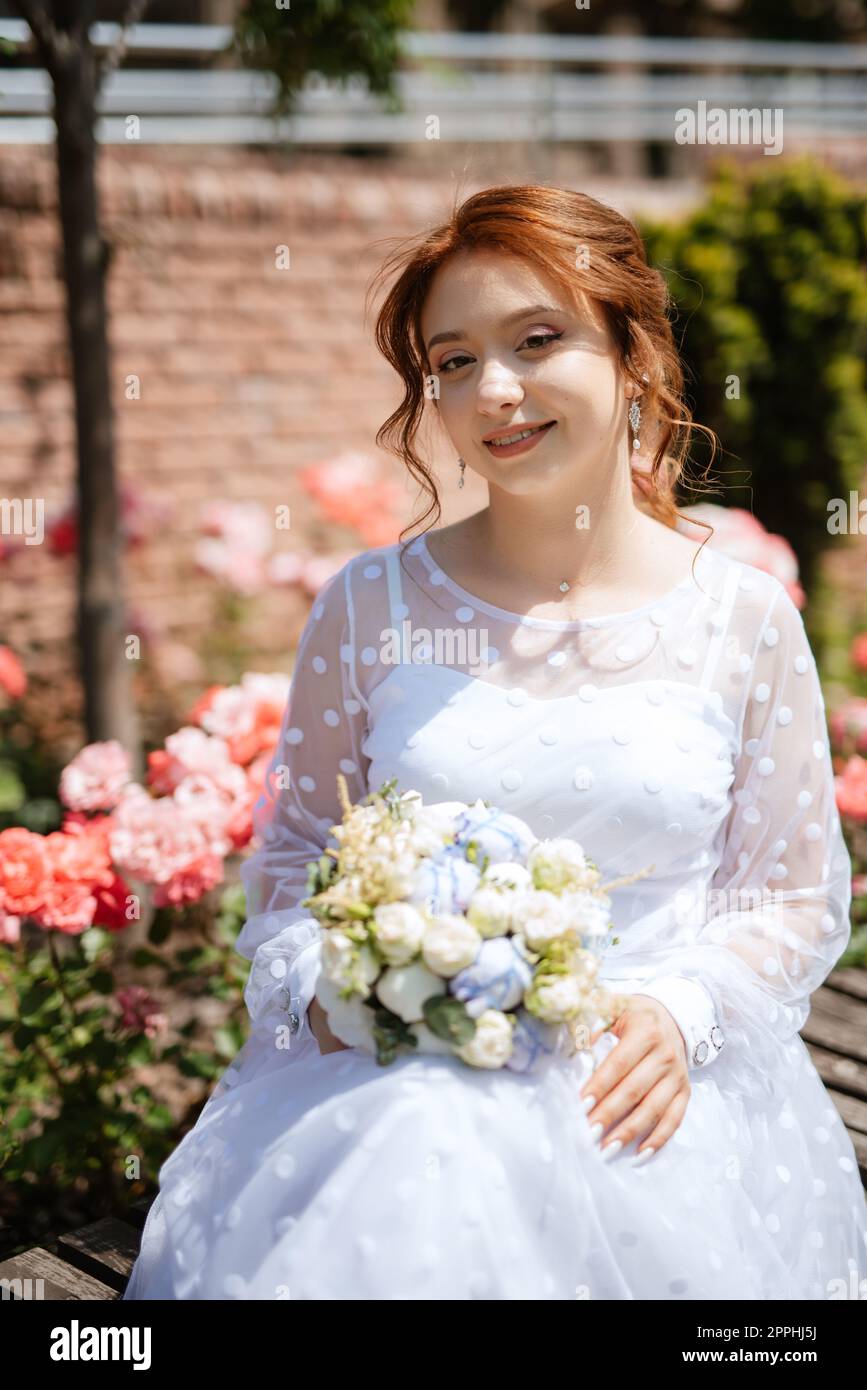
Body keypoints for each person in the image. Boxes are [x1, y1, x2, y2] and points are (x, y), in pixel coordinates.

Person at [123, 184, 867, 1301]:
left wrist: (681, 1011)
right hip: (396, 1080)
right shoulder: (367, 607)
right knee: (426, 1147)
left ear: (634, 354)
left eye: (536, 340)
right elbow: (292, 861)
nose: (493, 392)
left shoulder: (743, 616)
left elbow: (792, 896)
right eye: (453, 360)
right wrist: (339, 990)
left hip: (647, 1089)